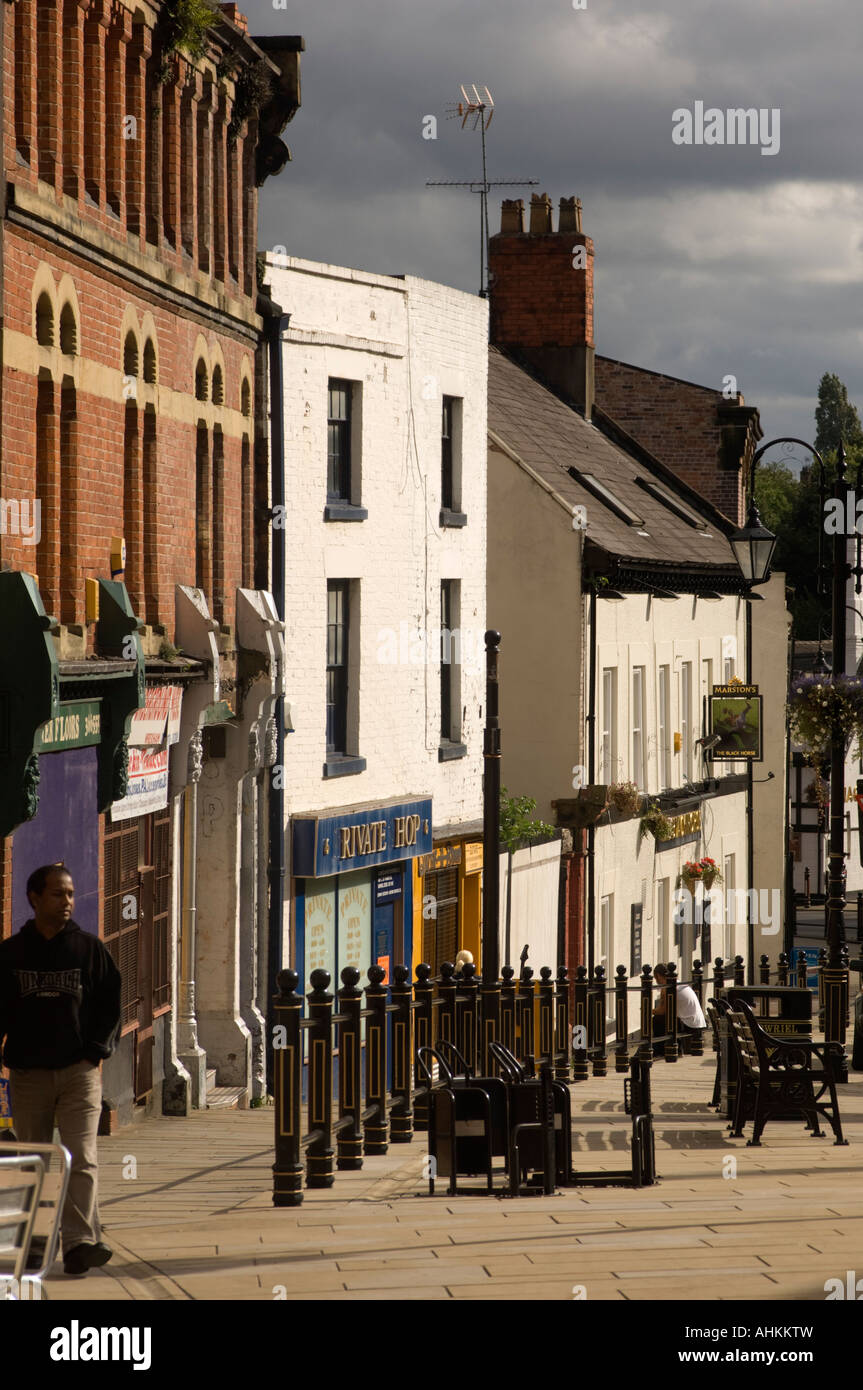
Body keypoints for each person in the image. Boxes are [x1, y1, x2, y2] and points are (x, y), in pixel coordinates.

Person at [0, 863, 122, 1277]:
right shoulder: (11, 954)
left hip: (78, 1073)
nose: (67, 901)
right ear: (34, 899)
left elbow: (110, 1006)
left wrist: (95, 1052)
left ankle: (79, 1243)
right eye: (57, 894)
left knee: (82, 1157)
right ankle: (32, 1247)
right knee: (31, 1158)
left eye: (70, 894)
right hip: (29, 1074)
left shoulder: (89, 949)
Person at [653, 962, 706, 1052]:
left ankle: (664, 1050)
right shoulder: (678, 984)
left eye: (655, 977)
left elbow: (662, 1011)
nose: (656, 981)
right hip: (698, 1022)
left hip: (690, 1024)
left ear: (658, 976)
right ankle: (669, 1048)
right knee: (665, 1019)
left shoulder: (668, 987)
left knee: (657, 1020)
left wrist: (647, 1011)